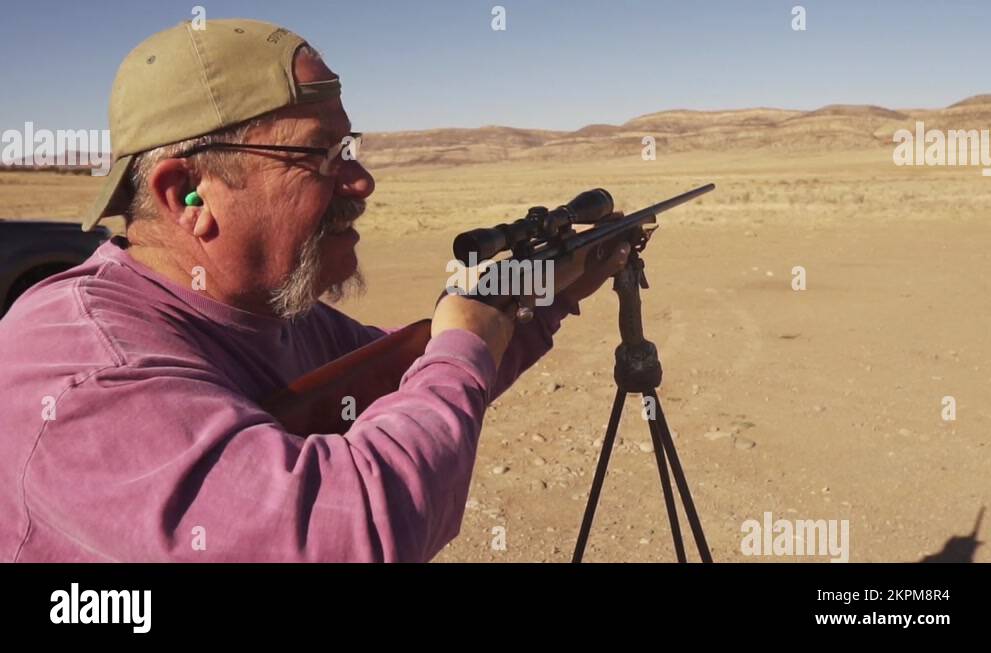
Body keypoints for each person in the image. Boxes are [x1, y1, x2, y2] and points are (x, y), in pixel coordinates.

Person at [0, 19, 627, 562]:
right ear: (185, 195)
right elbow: (342, 535)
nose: (362, 182)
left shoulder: (269, 314)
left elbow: (414, 374)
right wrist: (465, 342)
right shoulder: (76, 367)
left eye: (349, 149)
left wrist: (547, 294)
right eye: (321, 156)